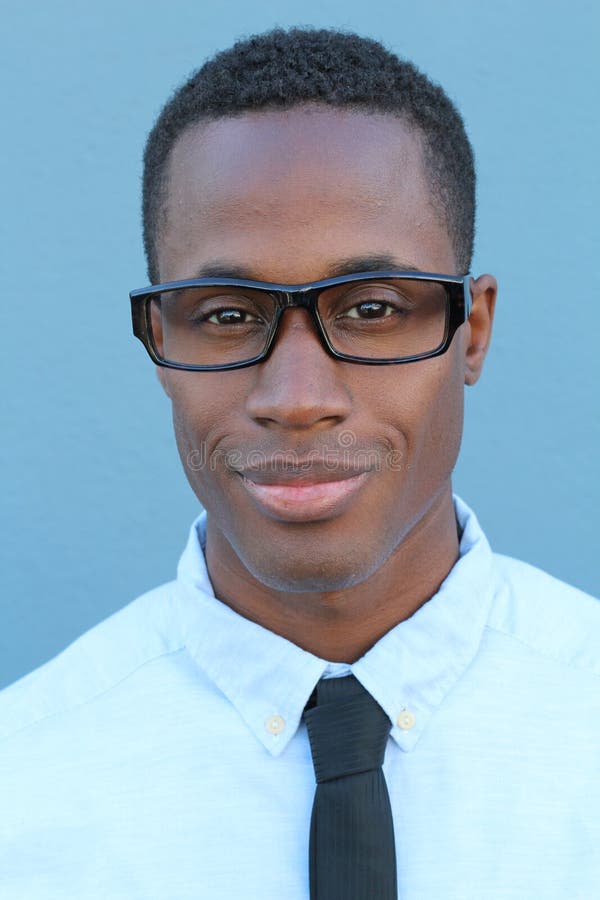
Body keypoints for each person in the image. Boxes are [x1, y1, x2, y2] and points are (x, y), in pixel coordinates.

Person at [1, 26, 598, 900]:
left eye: (370, 307)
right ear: (158, 342)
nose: (296, 395)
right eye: (228, 316)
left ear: (471, 330)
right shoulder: (24, 792)